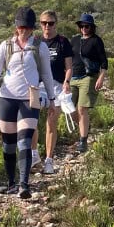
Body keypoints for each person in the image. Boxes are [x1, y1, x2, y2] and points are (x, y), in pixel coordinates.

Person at [0, 6, 56, 199]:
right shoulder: (6, 46)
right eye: (21, 27)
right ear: (16, 27)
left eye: (27, 27)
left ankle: (24, 185)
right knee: (8, 143)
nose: (23, 30)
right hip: (6, 98)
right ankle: (11, 184)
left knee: (24, 141)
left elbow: (47, 74)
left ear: (32, 28)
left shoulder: (40, 47)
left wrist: (52, 99)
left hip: (29, 99)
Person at [30, 10, 73, 175]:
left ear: (56, 24)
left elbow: (69, 67)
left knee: (51, 122)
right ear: (40, 24)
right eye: (44, 23)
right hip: (38, 86)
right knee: (31, 119)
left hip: (56, 86)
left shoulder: (62, 42)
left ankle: (49, 160)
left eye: (50, 23)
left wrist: (67, 82)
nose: (47, 26)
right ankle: (34, 155)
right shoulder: (35, 42)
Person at [69, 13, 108, 153]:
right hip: (73, 77)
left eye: (87, 26)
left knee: (82, 109)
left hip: (88, 77)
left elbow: (104, 61)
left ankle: (83, 140)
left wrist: (101, 77)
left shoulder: (96, 41)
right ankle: (84, 126)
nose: (84, 28)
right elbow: (68, 58)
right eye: (82, 26)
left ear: (92, 27)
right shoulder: (74, 40)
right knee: (69, 108)